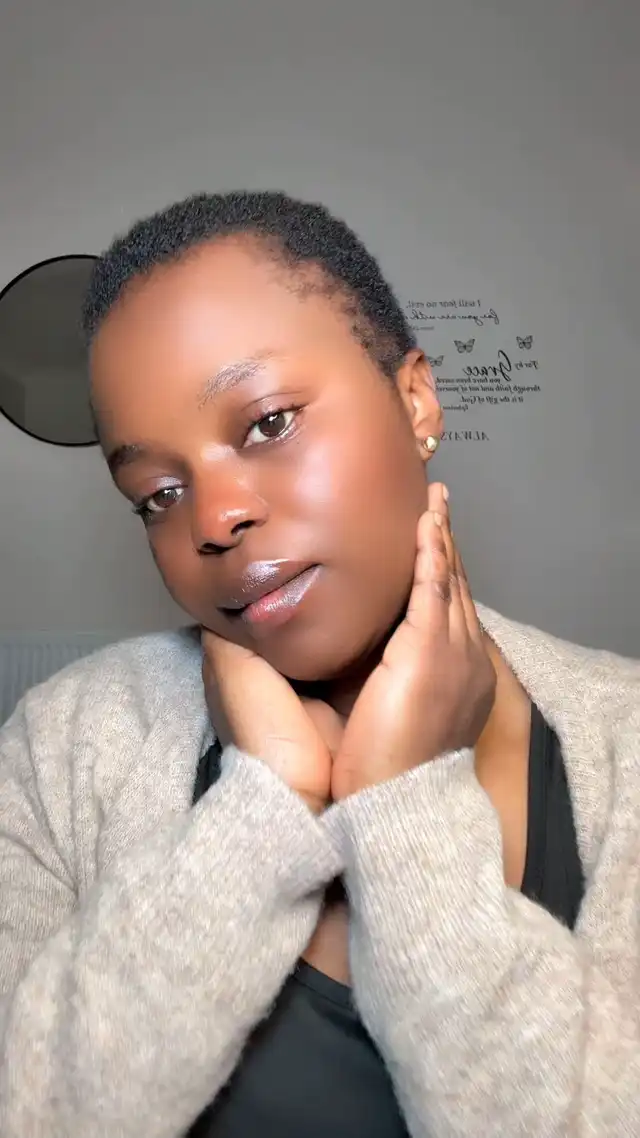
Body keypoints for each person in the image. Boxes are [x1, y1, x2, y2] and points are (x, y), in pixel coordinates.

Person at [0, 191, 639, 1138]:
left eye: (268, 423)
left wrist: (407, 803)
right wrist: (263, 807)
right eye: (158, 492)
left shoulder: (626, 740)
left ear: (415, 400)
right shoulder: (61, 750)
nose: (213, 520)